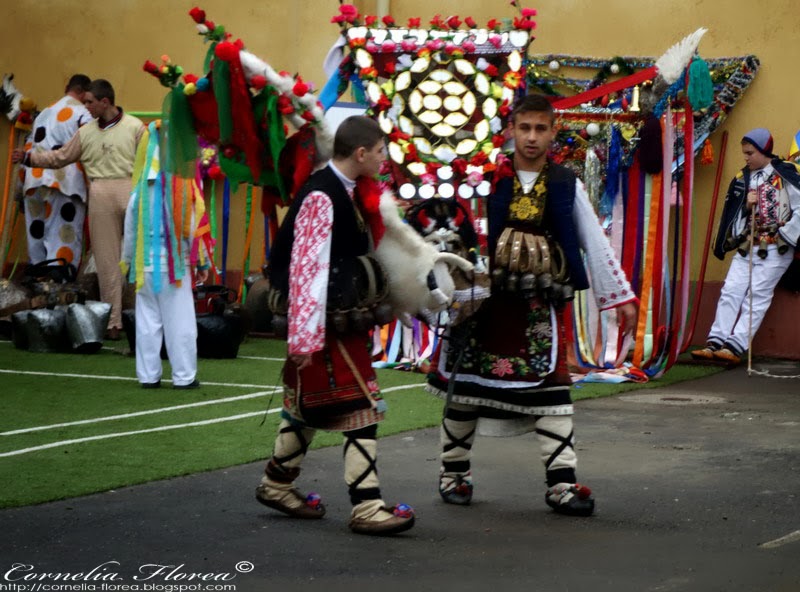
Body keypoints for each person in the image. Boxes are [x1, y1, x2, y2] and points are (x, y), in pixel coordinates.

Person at [426, 94, 637, 517]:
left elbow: (593, 239)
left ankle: (561, 484)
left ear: (553, 132)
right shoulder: (486, 180)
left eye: (541, 129)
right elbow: (453, 234)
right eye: (525, 128)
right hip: (479, 305)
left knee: (552, 393)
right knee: (465, 389)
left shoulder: (565, 184)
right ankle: (454, 474)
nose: (532, 137)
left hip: (540, 306)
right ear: (511, 131)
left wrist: (619, 296)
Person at [256, 116, 415, 536]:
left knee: (309, 405)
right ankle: (366, 506)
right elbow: (307, 270)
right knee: (361, 405)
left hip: (334, 316)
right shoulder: (322, 196)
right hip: (321, 320)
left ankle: (276, 484)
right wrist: (304, 339)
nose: (385, 159)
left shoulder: (347, 189)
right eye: (381, 151)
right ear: (360, 154)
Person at [13, 79, 145, 340]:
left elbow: (152, 159)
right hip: (99, 194)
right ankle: (114, 323)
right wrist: (29, 158)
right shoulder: (85, 132)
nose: (85, 107)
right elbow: (60, 156)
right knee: (108, 262)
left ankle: (146, 321)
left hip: (132, 192)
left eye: (89, 102)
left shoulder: (135, 127)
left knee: (141, 259)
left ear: (104, 102)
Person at [691, 128, 800, 364]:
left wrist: (785, 234)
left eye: (750, 153)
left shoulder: (786, 173)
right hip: (747, 243)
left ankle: (735, 345)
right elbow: (732, 214)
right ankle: (715, 341)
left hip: (777, 247)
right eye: (745, 153)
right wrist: (747, 207)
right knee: (731, 290)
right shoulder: (743, 179)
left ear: (763, 151)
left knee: (757, 295)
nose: (746, 158)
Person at [120, 121, 209, 389]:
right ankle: (183, 377)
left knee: (147, 322)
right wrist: (200, 260)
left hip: (143, 266)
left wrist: (128, 265)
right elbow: (191, 228)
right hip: (174, 268)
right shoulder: (181, 189)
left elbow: (130, 231)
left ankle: (148, 376)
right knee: (180, 323)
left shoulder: (137, 193)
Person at [18, 74, 92, 270]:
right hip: (64, 183)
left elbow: (28, 146)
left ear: (67, 88)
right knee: (62, 237)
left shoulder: (44, 114)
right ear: (84, 93)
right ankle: (60, 286)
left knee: (37, 237)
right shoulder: (83, 113)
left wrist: (20, 186)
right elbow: (90, 146)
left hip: (33, 181)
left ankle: (38, 284)